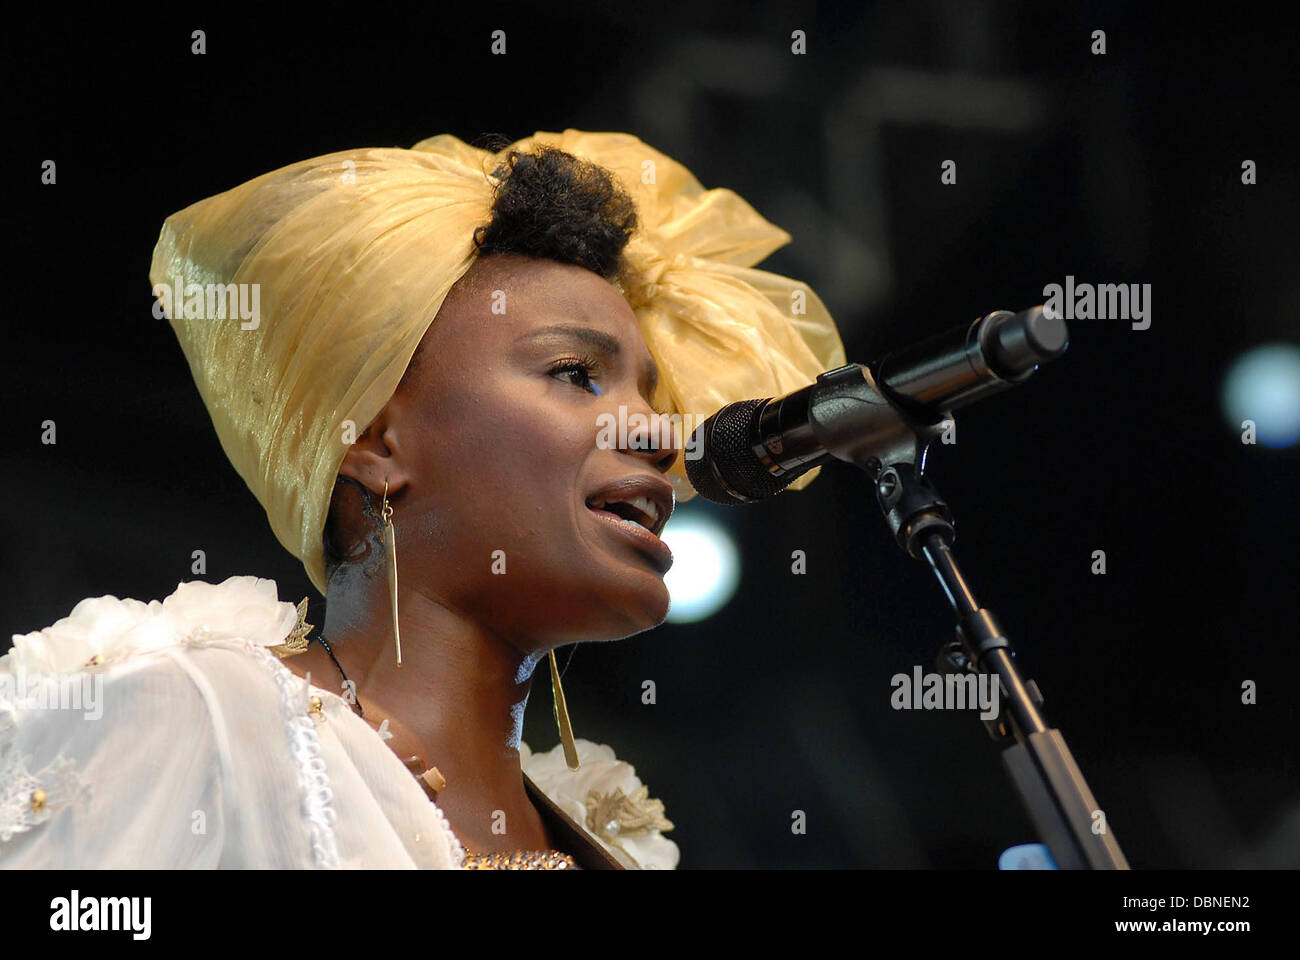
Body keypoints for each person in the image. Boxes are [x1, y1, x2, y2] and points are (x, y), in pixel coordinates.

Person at [0, 130, 846, 868]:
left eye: (653, 398)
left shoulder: (605, 835)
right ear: (373, 442)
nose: (661, 436)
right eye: (576, 375)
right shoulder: (210, 720)